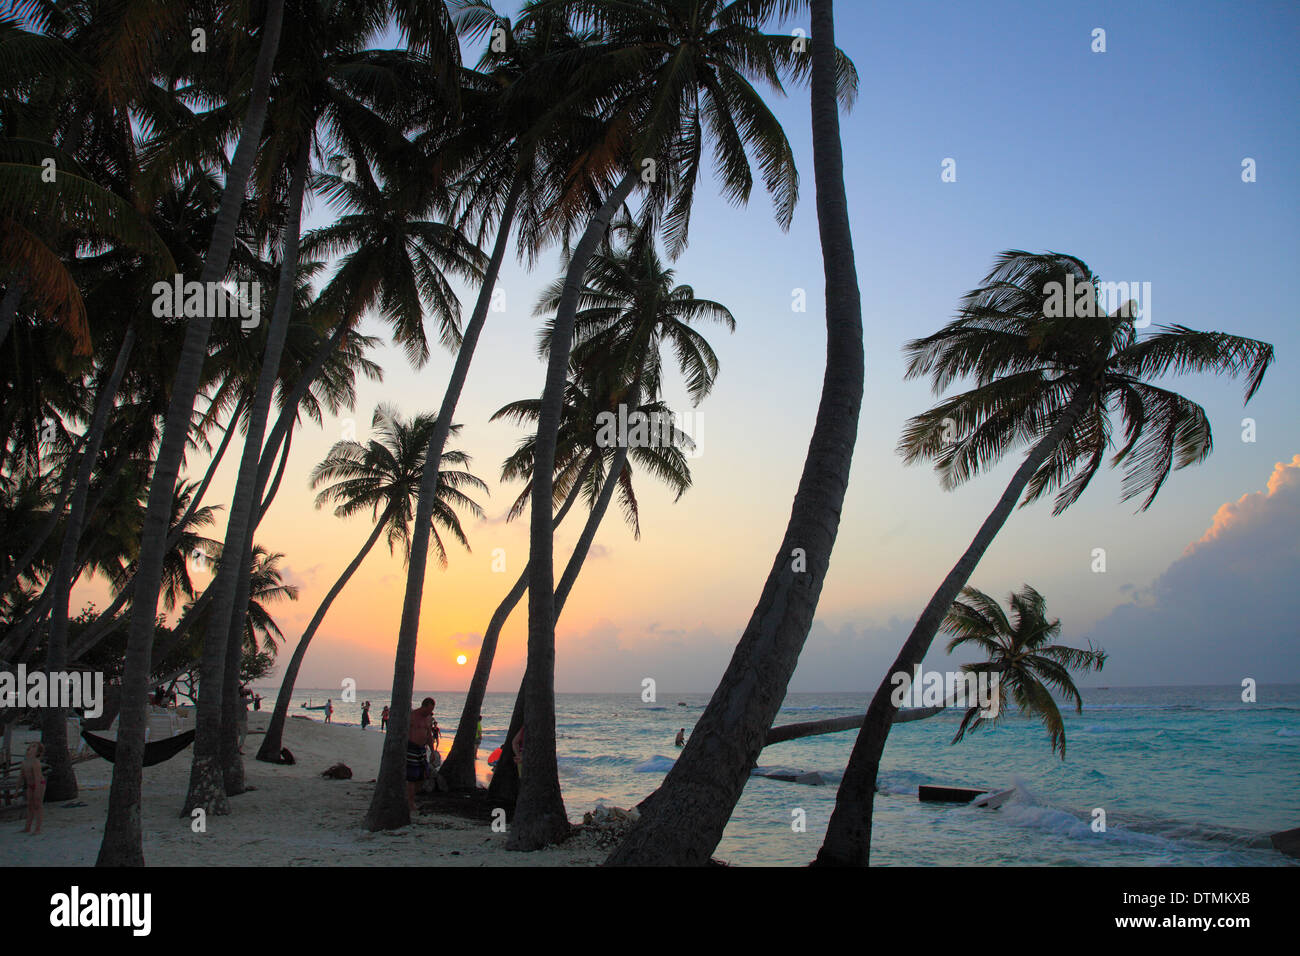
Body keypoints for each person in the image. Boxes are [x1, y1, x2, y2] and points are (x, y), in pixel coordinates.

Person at [407, 698, 440, 810]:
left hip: (422, 749)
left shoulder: (429, 719)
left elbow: (429, 735)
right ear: (423, 706)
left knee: (423, 776)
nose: (429, 712)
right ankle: (410, 803)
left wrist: (432, 751)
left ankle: (409, 798)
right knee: (412, 776)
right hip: (411, 748)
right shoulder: (412, 716)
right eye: (429, 709)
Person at [21, 742, 45, 834]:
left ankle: (37, 829)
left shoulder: (35, 763)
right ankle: (27, 827)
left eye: (33, 747)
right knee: (30, 805)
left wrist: (37, 791)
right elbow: (21, 776)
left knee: (37, 805)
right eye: (30, 746)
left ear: (38, 752)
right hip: (30, 785)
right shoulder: (25, 762)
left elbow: (38, 778)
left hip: (39, 784)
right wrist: (16, 789)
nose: (30, 748)